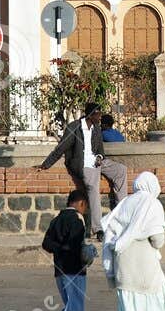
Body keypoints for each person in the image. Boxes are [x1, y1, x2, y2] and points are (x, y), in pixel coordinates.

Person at [101, 172, 165, 311]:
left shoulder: (124, 203)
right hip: (145, 267)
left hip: (123, 266)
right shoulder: (153, 204)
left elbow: (110, 231)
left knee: (128, 307)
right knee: (158, 303)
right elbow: (158, 240)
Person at [37, 102, 127, 241]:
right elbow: (60, 148)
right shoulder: (74, 128)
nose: (100, 117)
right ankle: (97, 229)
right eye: (98, 114)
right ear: (91, 115)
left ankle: (122, 216)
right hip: (82, 163)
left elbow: (100, 151)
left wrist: (99, 157)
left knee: (121, 171)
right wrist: (45, 165)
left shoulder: (96, 128)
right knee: (93, 185)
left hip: (96, 162)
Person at [41, 188, 91, 311]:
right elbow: (76, 245)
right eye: (86, 207)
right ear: (81, 203)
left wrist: (59, 249)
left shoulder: (57, 220)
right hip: (75, 270)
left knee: (70, 305)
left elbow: (46, 244)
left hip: (59, 271)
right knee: (76, 307)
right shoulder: (78, 220)